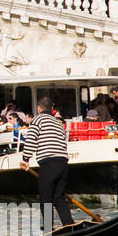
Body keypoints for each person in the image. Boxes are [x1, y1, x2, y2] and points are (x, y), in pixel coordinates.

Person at [20, 97, 74, 229]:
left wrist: (25, 159)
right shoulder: (57, 122)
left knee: (46, 197)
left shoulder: (38, 119)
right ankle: (69, 225)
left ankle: (49, 228)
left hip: (49, 163)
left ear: (39, 108)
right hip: (63, 162)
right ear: (51, 109)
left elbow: (31, 140)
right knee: (59, 198)